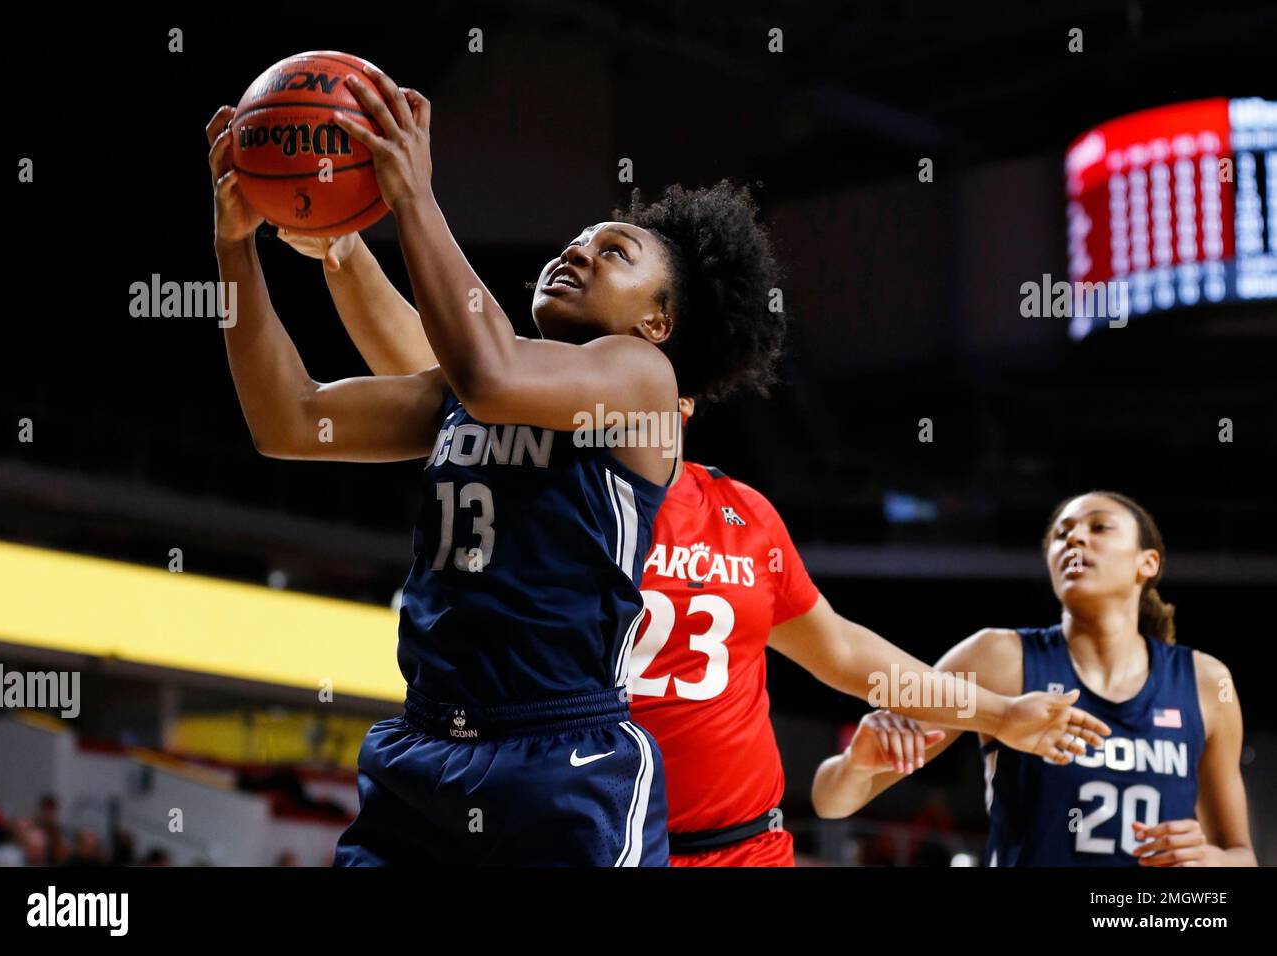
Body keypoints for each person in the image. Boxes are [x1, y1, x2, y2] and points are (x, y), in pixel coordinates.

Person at [268, 177, 1114, 870]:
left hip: (739, 846)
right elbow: (440, 364)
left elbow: (850, 656)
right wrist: (342, 248)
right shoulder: (544, 483)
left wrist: (995, 716)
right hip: (589, 828)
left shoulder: (741, 515)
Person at [207, 62, 778, 865]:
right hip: (423, 748)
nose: (578, 252)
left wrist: (411, 194)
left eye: (613, 252)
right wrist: (236, 249)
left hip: (562, 767)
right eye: (576, 241)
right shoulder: (470, 383)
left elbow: (490, 369)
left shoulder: (642, 383)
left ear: (659, 320)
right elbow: (290, 420)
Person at [812, 491, 1258, 867]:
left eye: (1099, 527)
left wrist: (1210, 859)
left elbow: (1242, 855)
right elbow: (832, 801)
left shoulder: (1206, 681)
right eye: (1061, 534)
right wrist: (856, 765)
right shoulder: (998, 659)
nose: (1074, 538)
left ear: (1147, 562)